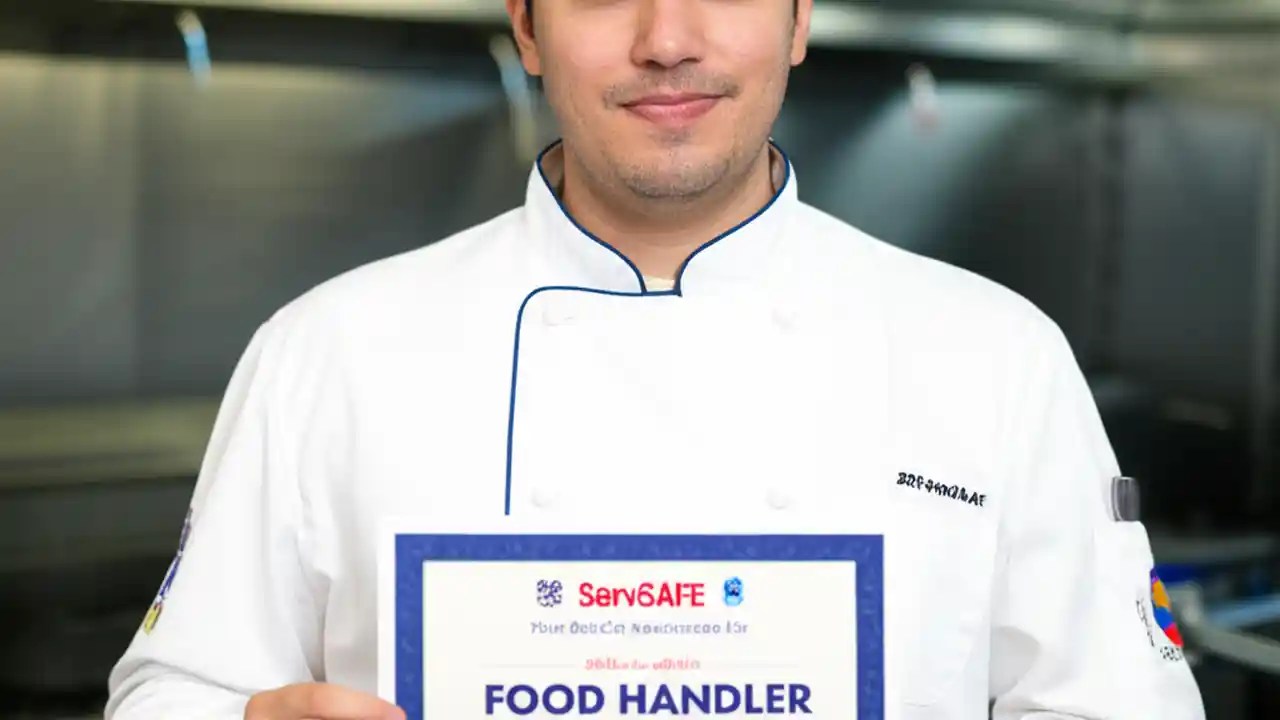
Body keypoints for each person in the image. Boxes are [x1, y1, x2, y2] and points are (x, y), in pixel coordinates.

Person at [105, 0, 1208, 718]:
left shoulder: (995, 355)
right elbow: (170, 691)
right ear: (525, 29)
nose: (665, 38)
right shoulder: (327, 348)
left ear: (797, 18)